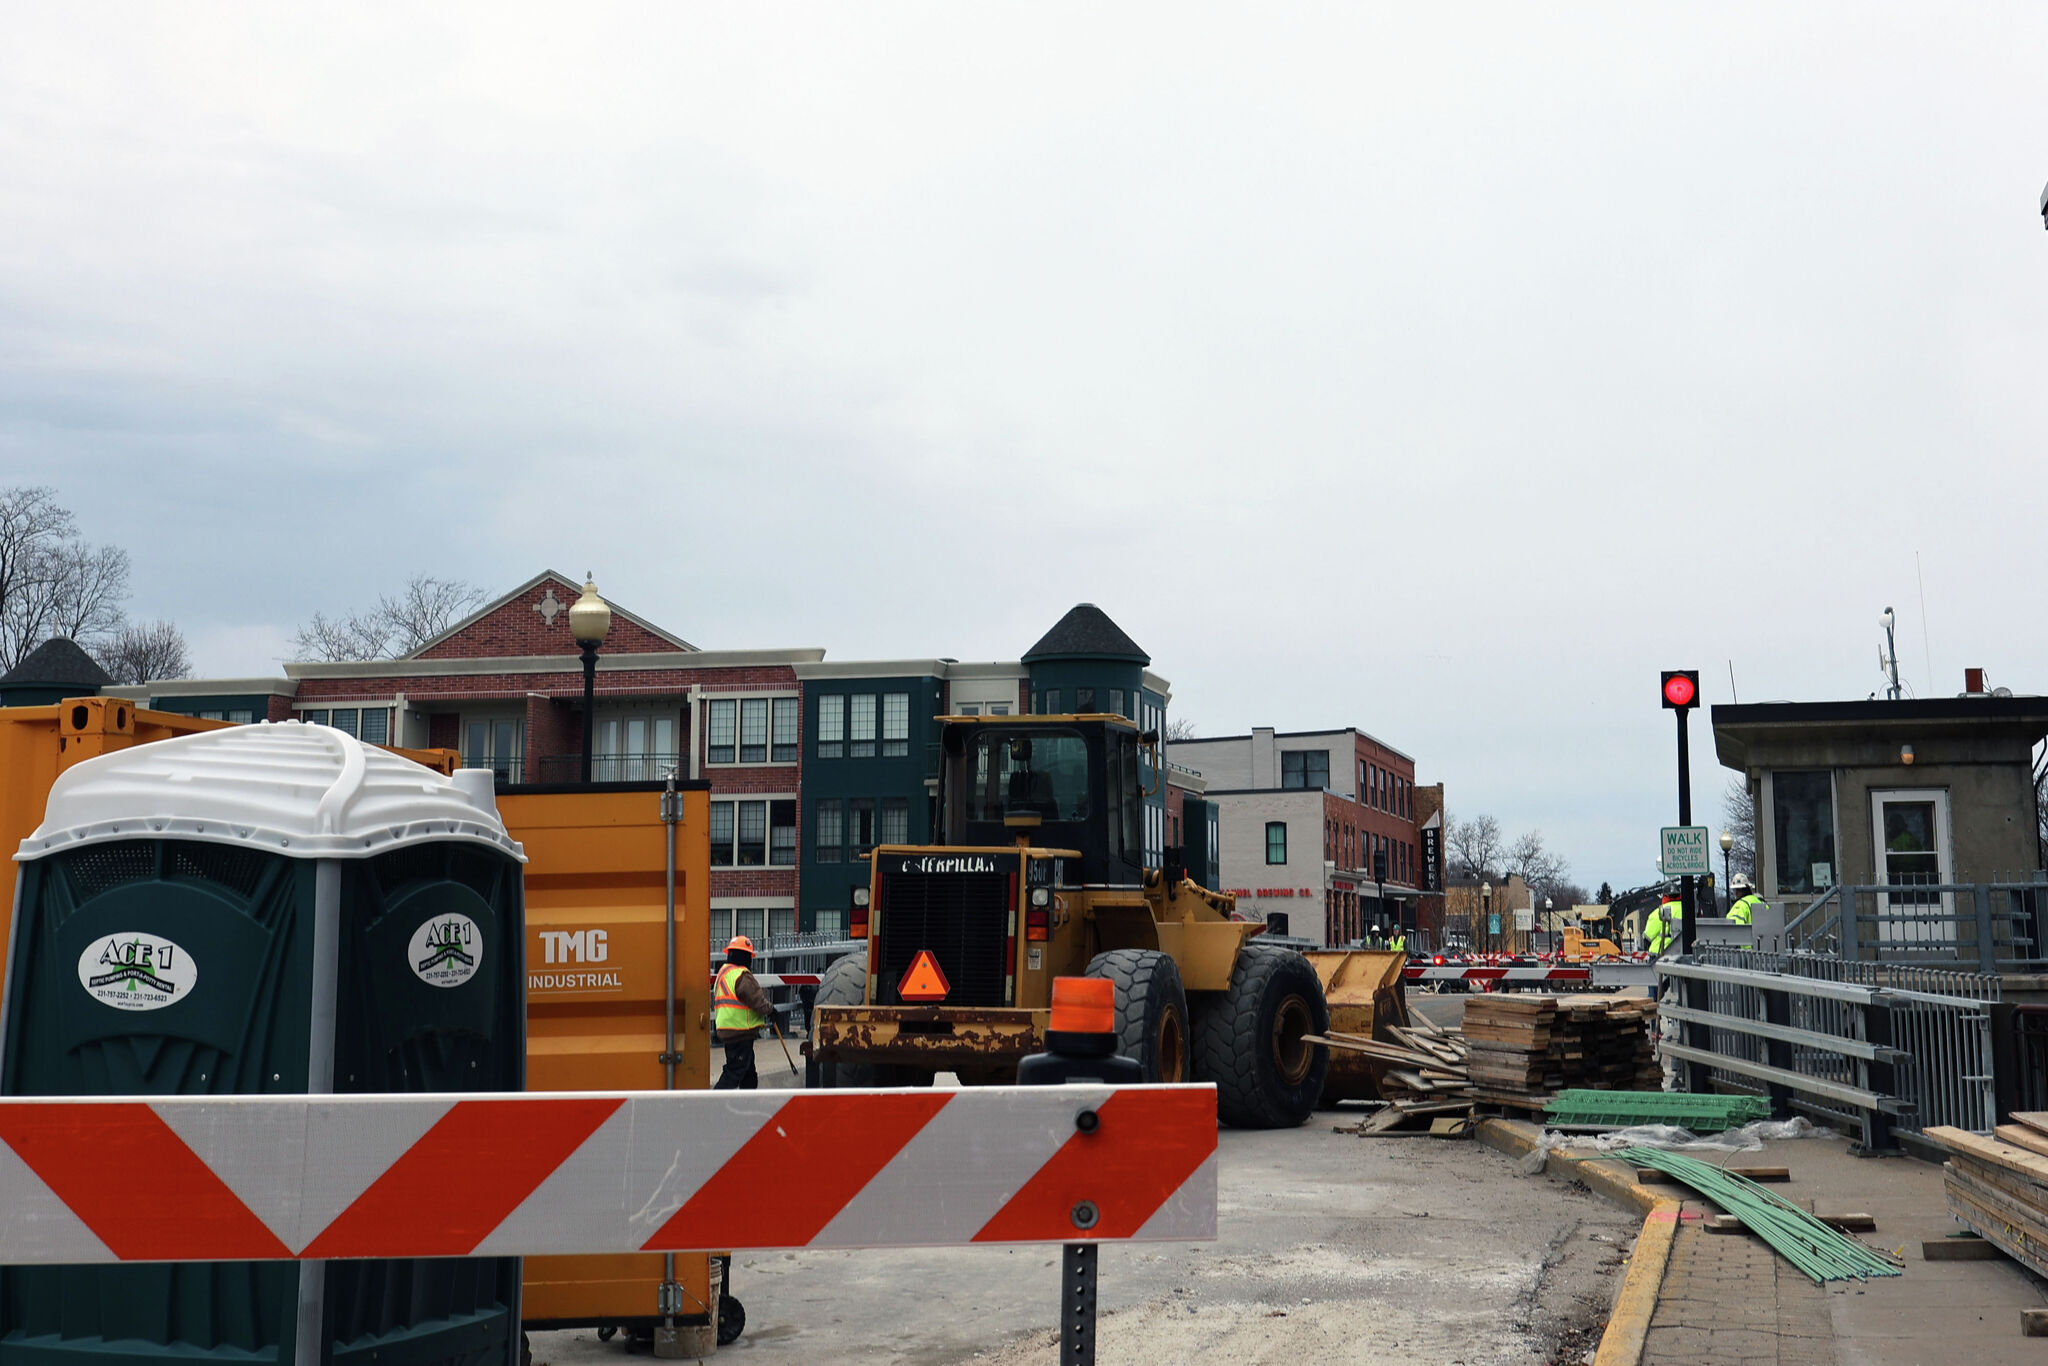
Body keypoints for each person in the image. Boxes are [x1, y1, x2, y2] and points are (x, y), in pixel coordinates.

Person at [713, 935, 772, 1091]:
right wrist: (771, 1010)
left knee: (748, 1072)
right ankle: (713, 1102)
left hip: (728, 1030)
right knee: (735, 1071)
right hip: (740, 1031)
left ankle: (748, 1100)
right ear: (747, 956)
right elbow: (757, 1001)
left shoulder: (724, 972)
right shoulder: (742, 975)